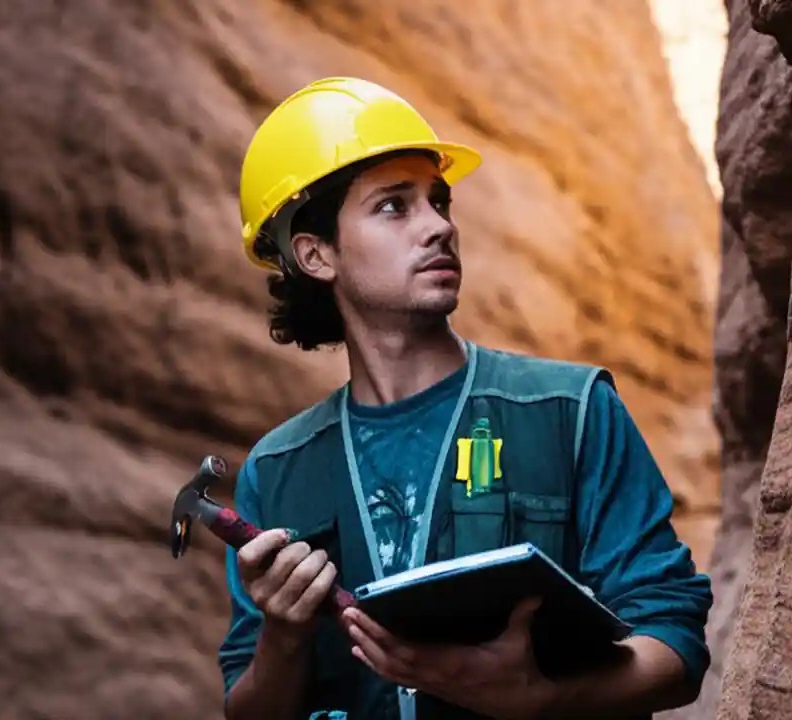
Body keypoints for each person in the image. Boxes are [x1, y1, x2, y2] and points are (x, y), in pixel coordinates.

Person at [218, 77, 712, 720]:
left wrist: (542, 700)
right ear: (316, 254)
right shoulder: (275, 470)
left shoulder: (572, 410)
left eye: (439, 202)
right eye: (394, 207)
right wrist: (283, 639)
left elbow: (676, 642)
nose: (439, 227)